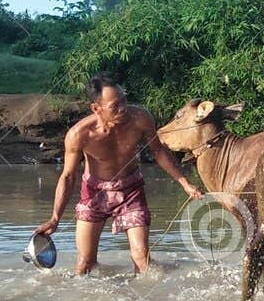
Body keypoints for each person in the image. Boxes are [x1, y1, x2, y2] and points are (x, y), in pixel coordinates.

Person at [36, 74, 203, 276]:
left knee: (142, 259)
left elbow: (158, 152)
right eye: (115, 105)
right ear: (96, 109)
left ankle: (154, 296)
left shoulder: (140, 118)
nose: (123, 108)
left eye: (124, 100)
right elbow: (68, 176)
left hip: (131, 190)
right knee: (84, 265)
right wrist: (55, 219)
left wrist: (185, 183)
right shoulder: (79, 134)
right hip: (94, 193)